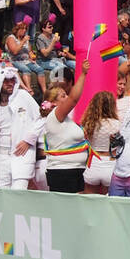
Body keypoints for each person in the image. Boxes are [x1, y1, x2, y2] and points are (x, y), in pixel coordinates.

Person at [0, 64, 44, 189]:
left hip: (21, 153)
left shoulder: (23, 96)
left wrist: (29, 139)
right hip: (1, 156)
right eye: (6, 81)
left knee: (18, 192)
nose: (10, 83)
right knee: (3, 193)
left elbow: (41, 118)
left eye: (12, 80)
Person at [43, 65, 90, 193]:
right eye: (63, 96)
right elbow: (73, 99)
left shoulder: (67, 120)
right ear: (54, 102)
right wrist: (83, 74)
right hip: (63, 173)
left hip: (76, 171)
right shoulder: (54, 116)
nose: (67, 98)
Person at [81, 89, 121, 194]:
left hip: (93, 163)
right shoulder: (117, 124)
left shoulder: (89, 124)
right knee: (107, 203)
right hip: (110, 164)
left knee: (89, 202)